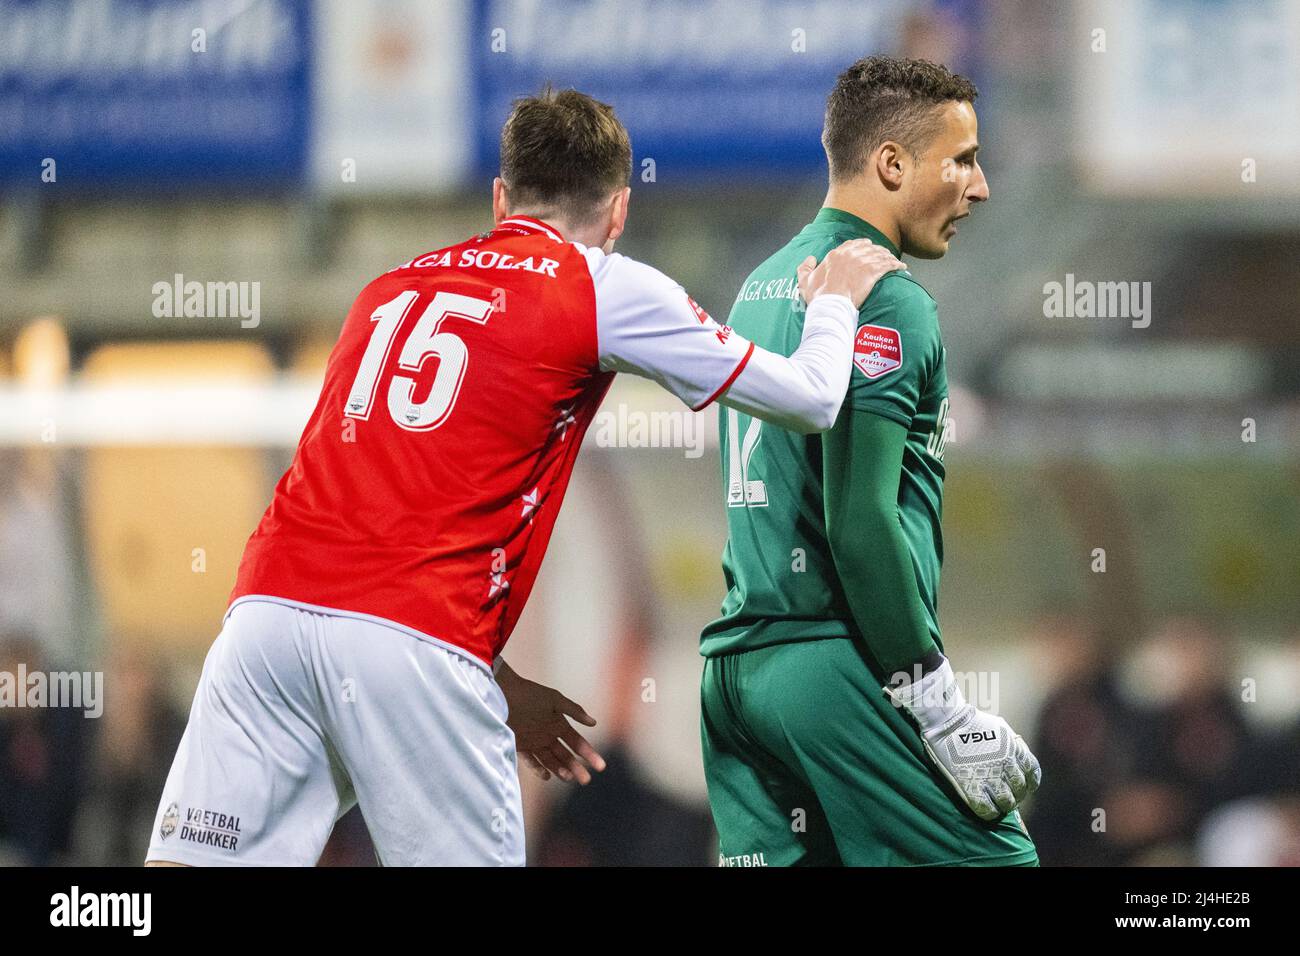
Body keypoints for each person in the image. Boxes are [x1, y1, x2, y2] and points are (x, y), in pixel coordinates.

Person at [145, 87, 903, 866]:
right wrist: (835, 299)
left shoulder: (387, 291)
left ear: (502, 197)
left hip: (263, 620)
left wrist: (500, 682)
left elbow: (380, 530)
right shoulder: (598, 283)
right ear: (618, 212)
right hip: (418, 644)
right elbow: (811, 397)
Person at [699, 56, 1042, 866]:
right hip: (838, 665)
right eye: (961, 159)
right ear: (892, 163)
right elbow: (859, 522)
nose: (981, 186)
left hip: (736, 674)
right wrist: (935, 698)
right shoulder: (886, 297)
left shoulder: (761, 283)